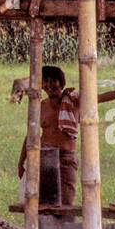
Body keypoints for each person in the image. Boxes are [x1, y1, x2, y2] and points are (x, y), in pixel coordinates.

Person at [17, 65, 81, 206]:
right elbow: (31, 135)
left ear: (61, 82)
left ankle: (65, 227)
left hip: (66, 158)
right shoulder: (41, 106)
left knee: (66, 202)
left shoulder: (72, 101)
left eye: (53, 81)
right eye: (46, 81)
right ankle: (43, 228)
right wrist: (21, 162)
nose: (49, 85)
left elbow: (98, 98)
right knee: (44, 203)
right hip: (44, 157)